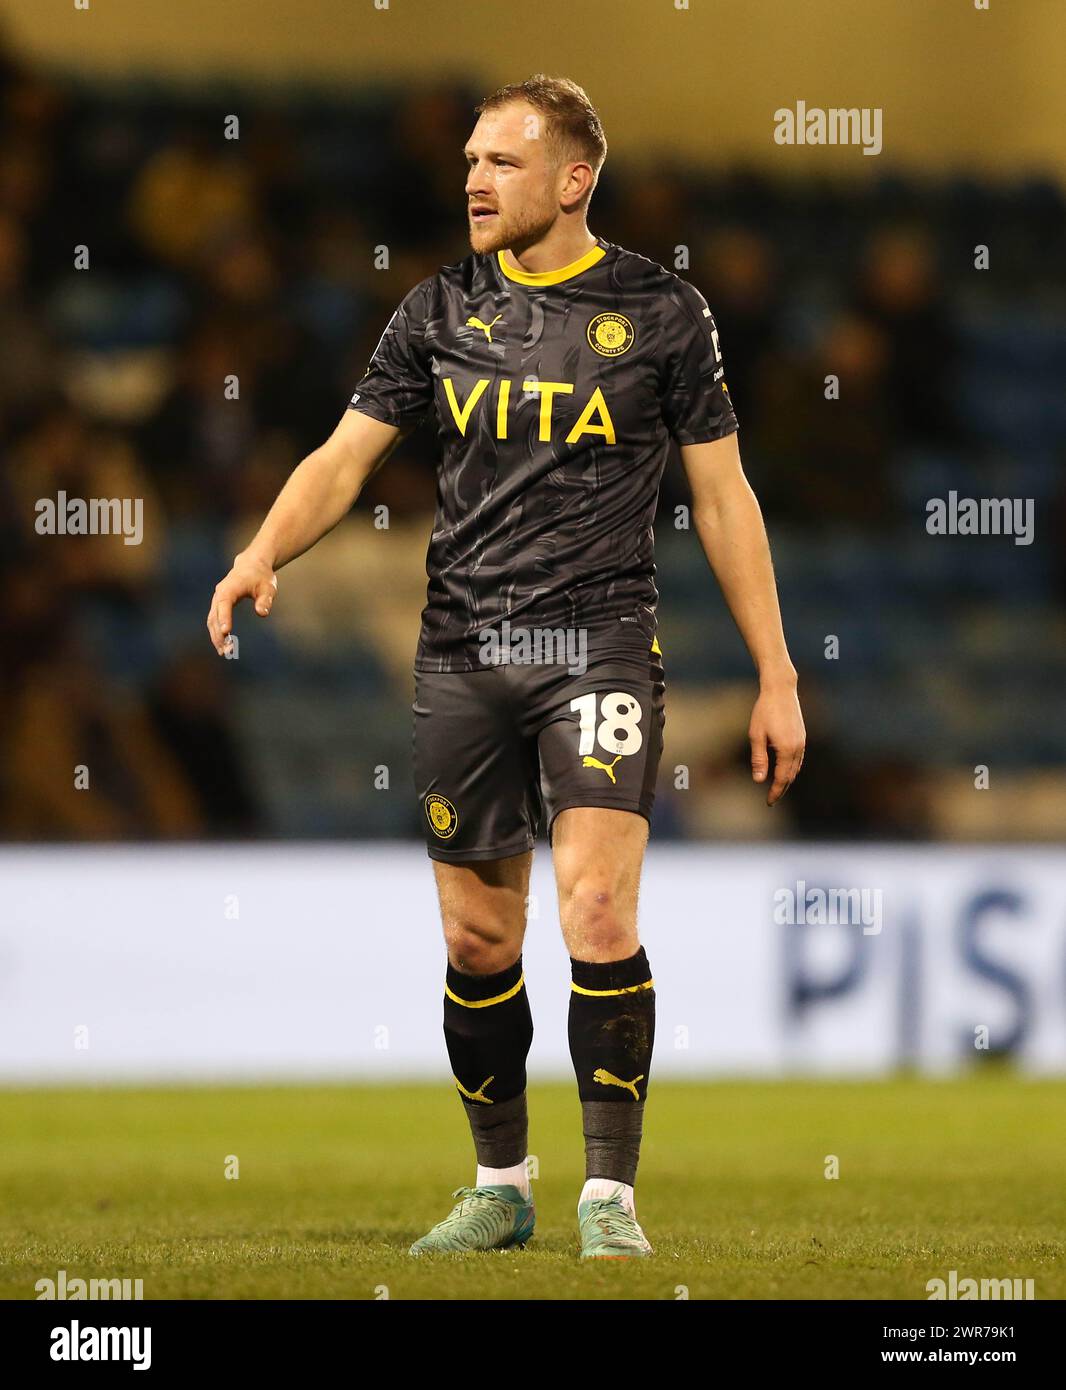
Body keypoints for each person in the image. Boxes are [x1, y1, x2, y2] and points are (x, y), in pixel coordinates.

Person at [206, 75, 805, 1260]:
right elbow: (344, 457)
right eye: (471, 159)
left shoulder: (663, 312)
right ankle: (500, 1185)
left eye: (504, 163)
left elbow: (723, 499)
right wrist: (261, 550)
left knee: (593, 907)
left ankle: (609, 1200)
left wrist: (776, 670)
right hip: (464, 653)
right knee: (479, 942)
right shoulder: (437, 310)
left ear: (574, 180)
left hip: (599, 651)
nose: (474, 180)